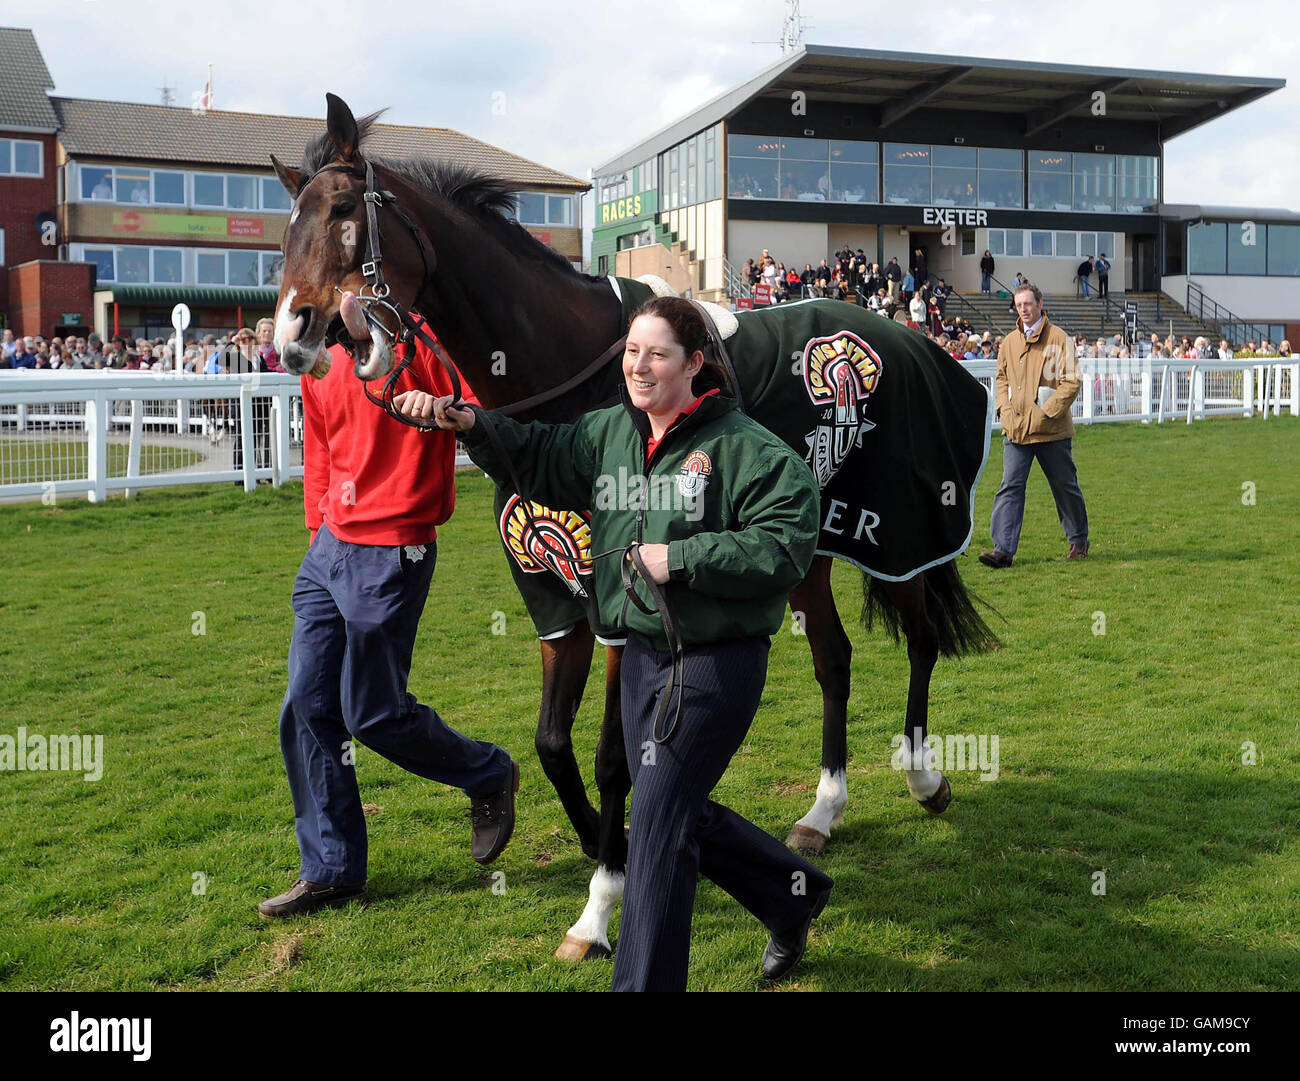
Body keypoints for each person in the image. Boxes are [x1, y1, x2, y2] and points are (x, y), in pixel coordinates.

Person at [400, 296, 832, 991]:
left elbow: (786, 541)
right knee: (676, 807)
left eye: (657, 353)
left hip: (715, 665)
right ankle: (792, 893)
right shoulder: (609, 434)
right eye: (632, 351)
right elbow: (539, 454)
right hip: (641, 660)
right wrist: (470, 420)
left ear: (694, 364)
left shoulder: (744, 447)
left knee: (658, 829)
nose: (639, 365)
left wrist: (682, 557)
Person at [259, 290, 520, 920]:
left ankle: (487, 774)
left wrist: (444, 409)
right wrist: (317, 525)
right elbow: (319, 443)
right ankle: (332, 870)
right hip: (330, 549)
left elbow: (479, 412)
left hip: (394, 548)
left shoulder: (417, 336)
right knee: (306, 705)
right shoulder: (316, 348)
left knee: (371, 714)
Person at [980, 282, 1090, 568]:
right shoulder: (1009, 342)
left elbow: (1071, 381)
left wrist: (1046, 413)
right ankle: (1002, 550)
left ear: (1040, 304)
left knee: (1064, 486)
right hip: (1016, 430)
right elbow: (1001, 379)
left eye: (1028, 304)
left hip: (1051, 431)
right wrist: (1003, 409)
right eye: (1019, 305)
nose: (1023, 310)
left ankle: (1078, 539)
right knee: (1010, 487)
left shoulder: (1059, 338)